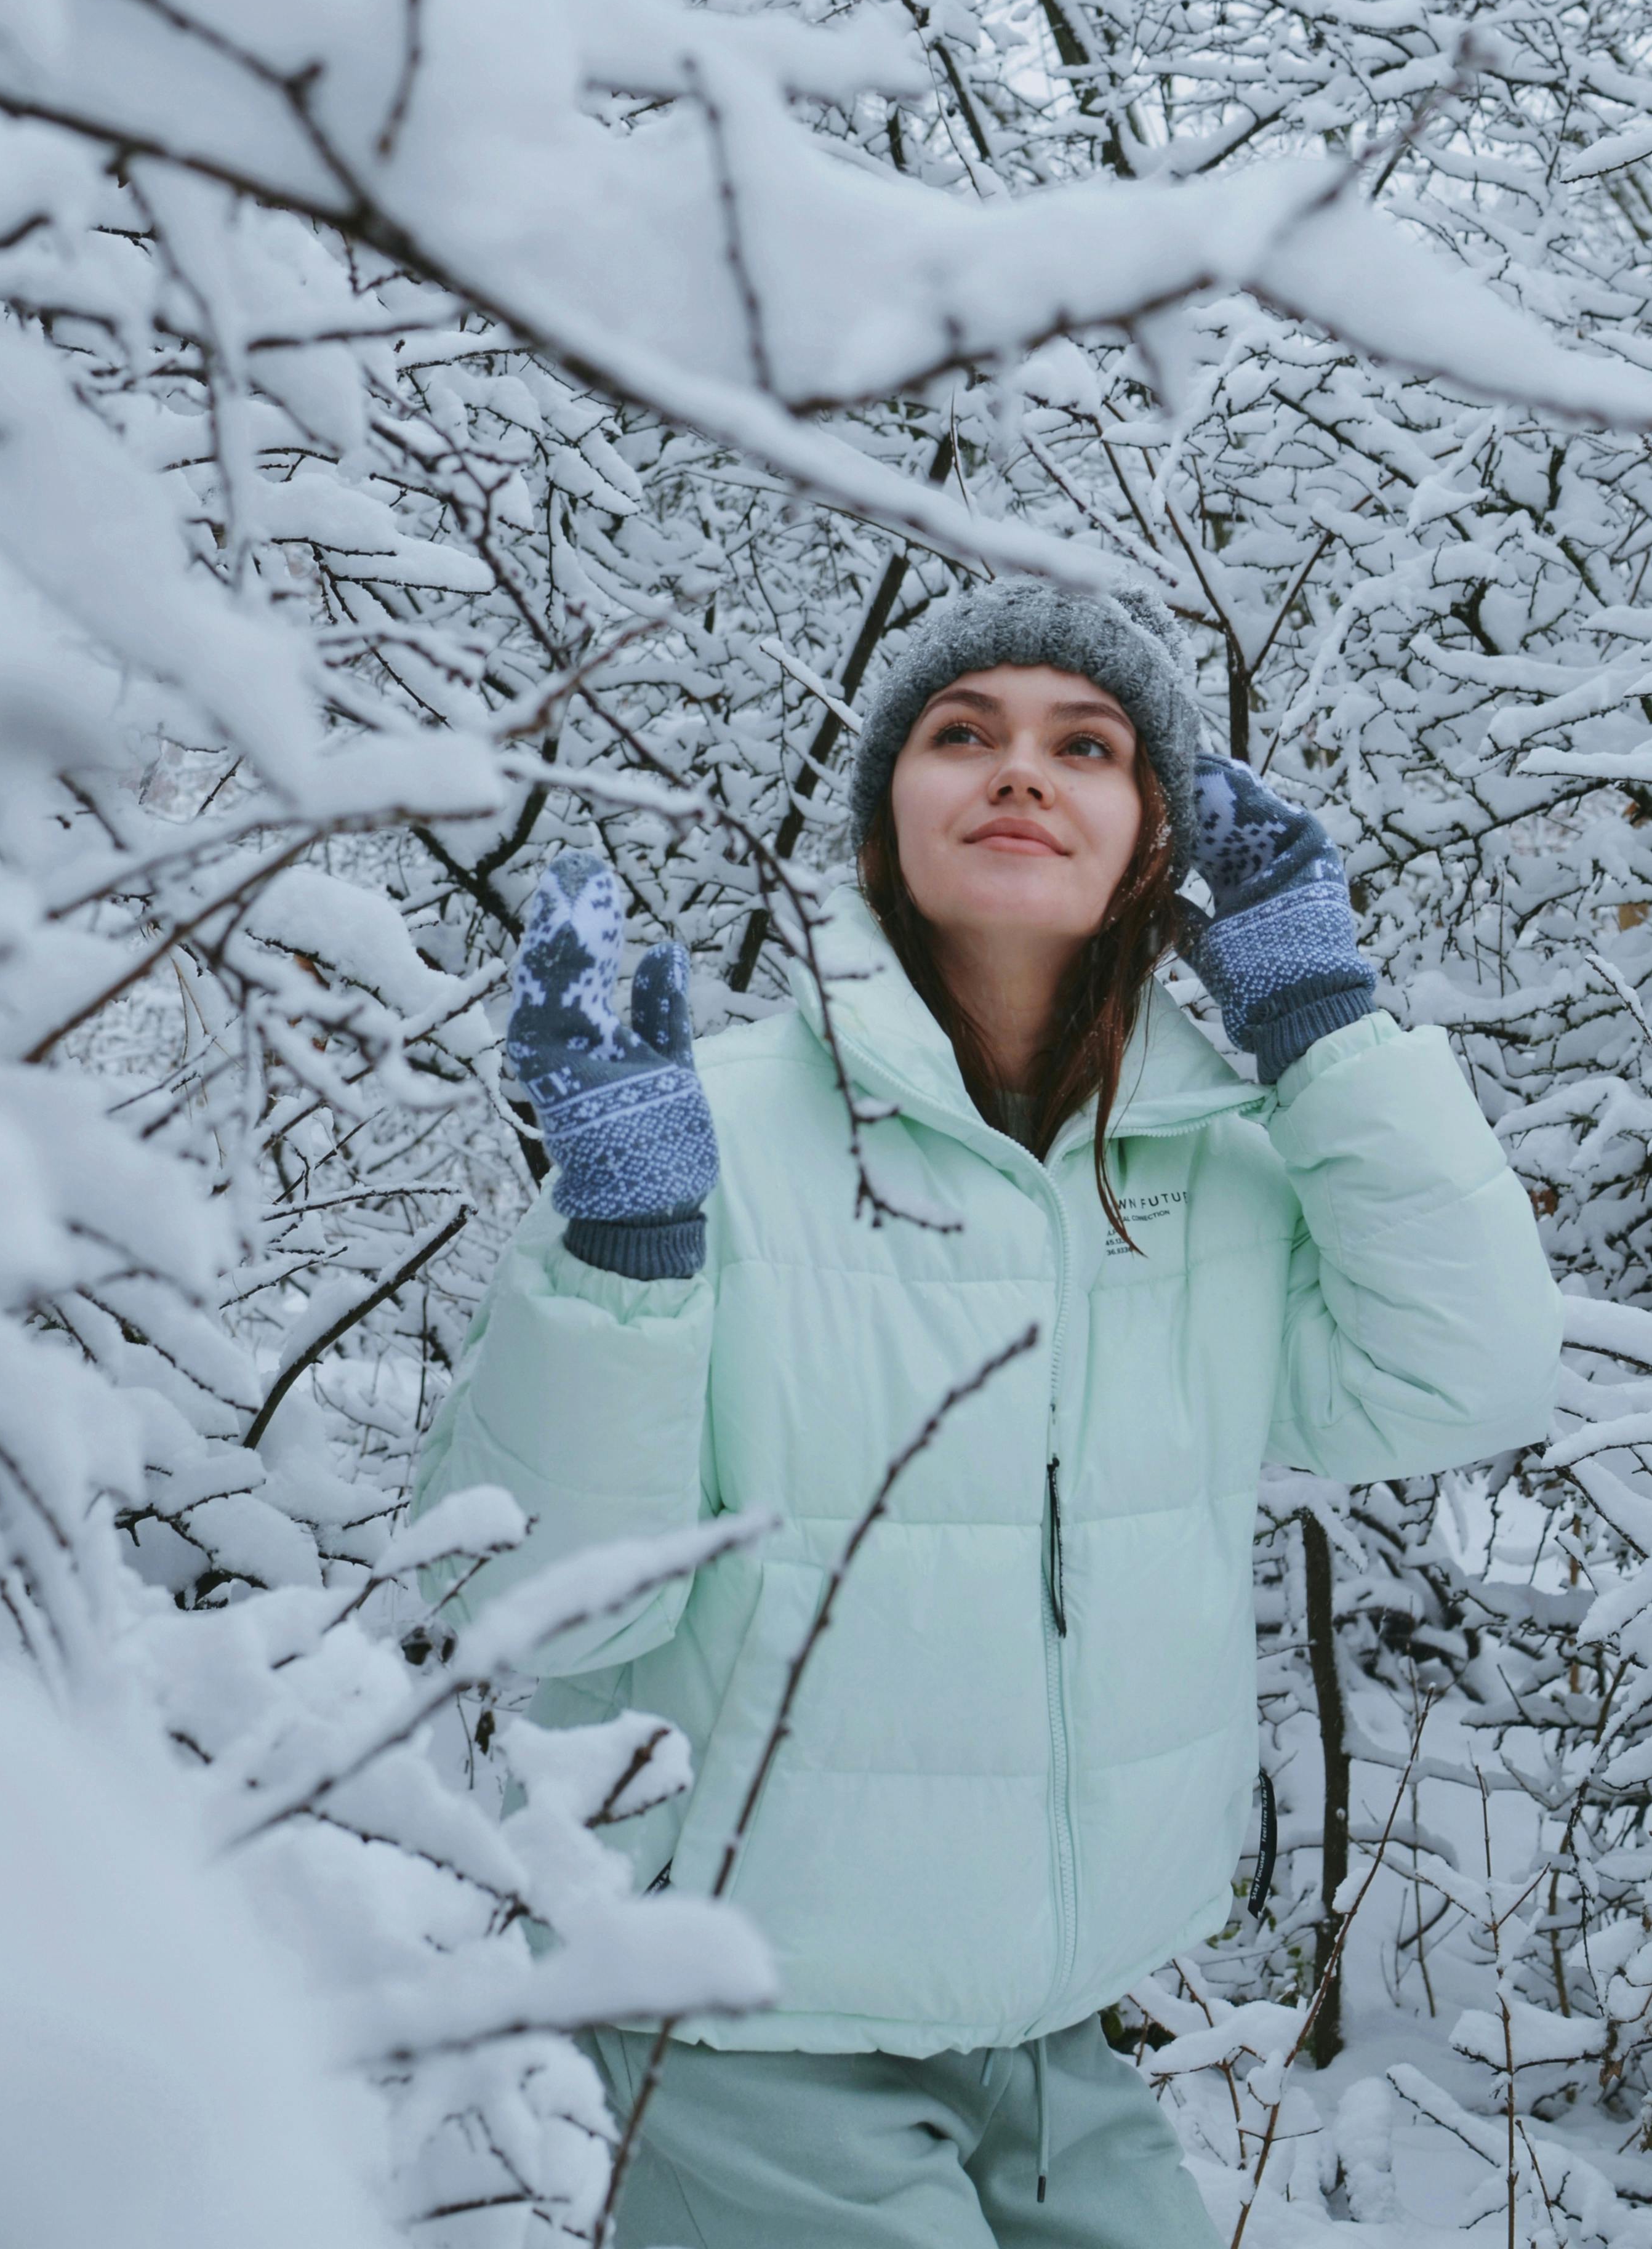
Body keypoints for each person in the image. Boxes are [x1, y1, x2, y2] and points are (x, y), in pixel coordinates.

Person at [412, 579, 1561, 2248]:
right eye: (964, 735)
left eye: (1085, 747)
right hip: (747, 2019)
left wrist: (1317, 1017)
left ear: (1154, 839)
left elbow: (1464, 1377)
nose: (1020, 771)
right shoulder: (690, 1134)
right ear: (888, 816)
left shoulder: (1223, 1163)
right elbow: (535, 1608)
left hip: (1055, 2024)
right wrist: (627, 1252)